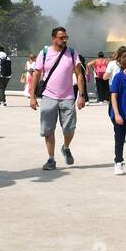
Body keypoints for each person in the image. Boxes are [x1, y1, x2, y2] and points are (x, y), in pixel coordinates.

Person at [29, 26, 87, 171]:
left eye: (66, 37)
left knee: (69, 128)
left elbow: (79, 74)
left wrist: (82, 95)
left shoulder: (72, 53)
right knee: (48, 130)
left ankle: (66, 147)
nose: (64, 40)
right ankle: (51, 159)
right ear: (54, 38)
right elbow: (36, 74)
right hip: (48, 96)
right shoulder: (44, 53)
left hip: (68, 97)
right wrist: (32, 96)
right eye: (62, 38)